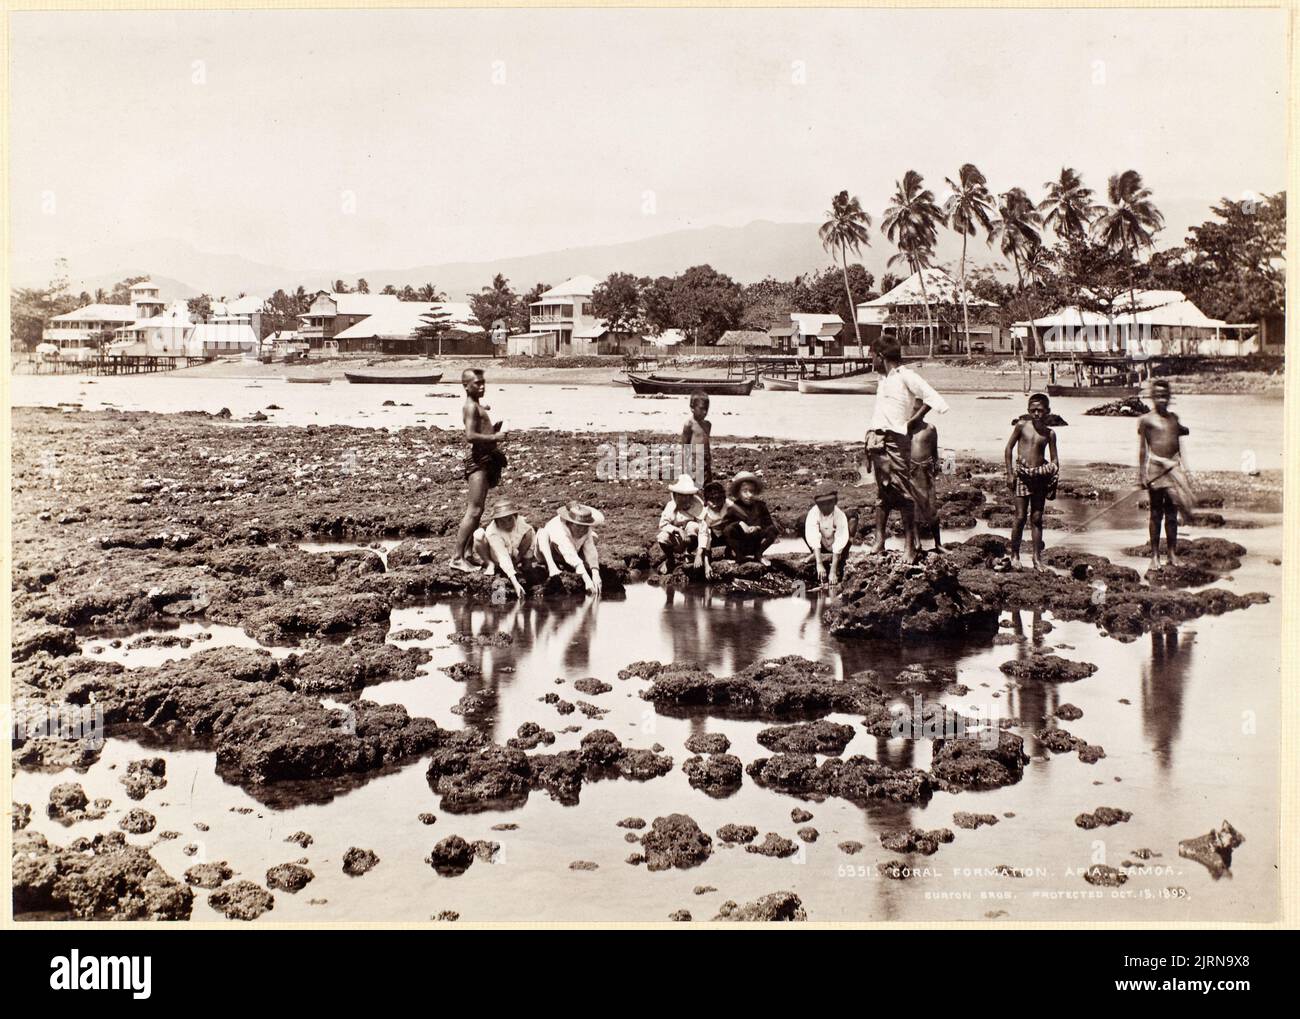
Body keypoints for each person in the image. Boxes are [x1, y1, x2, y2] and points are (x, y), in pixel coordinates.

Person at [865, 344, 949, 563]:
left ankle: (910, 547)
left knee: (903, 494)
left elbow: (932, 398)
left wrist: (911, 422)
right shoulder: (883, 379)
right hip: (877, 439)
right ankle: (879, 541)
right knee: (882, 494)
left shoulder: (906, 376)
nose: (870, 362)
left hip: (896, 440)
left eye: (872, 357)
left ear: (881, 356)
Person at [450, 368, 507, 573]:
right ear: (466, 386)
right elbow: (470, 436)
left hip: (485, 459)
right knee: (473, 510)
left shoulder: (477, 406)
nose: (482, 386)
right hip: (478, 461)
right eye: (477, 383)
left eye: (483, 383)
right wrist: (495, 438)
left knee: (479, 510)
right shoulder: (470, 407)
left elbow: (479, 430)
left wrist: (493, 430)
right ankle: (456, 558)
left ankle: (467, 554)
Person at [1138, 380, 1196, 569]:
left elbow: (1180, 447)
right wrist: (1142, 475)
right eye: (1158, 395)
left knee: (1172, 513)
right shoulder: (1146, 420)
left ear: (1170, 397)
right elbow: (1143, 450)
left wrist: (1184, 471)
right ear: (1152, 397)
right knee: (1156, 513)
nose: (1162, 399)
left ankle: (1172, 553)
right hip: (1155, 468)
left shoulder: (1174, 418)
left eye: (1165, 395)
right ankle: (1155, 556)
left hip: (1173, 469)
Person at [1004, 393, 1060, 570]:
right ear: (1028, 410)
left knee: (1036, 518)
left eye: (1040, 410)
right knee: (1020, 517)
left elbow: (1055, 460)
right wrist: (1010, 474)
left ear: (1048, 411)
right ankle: (1014, 555)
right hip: (1021, 476)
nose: (1037, 414)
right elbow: (1008, 449)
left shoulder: (1050, 434)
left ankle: (1037, 559)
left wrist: (1050, 474)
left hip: (1040, 479)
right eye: (1033, 410)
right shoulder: (1021, 426)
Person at [534, 501, 604, 595]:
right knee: (543, 533)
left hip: (571, 552)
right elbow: (569, 552)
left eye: (585, 527)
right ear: (570, 523)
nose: (582, 530)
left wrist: (595, 573)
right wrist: (587, 580)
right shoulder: (558, 528)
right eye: (578, 526)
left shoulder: (586, 528)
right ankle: (552, 566)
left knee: (594, 536)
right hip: (551, 553)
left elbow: (590, 548)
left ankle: (572, 565)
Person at [471, 499, 535, 600]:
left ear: (514, 516)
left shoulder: (520, 522)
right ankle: (489, 564)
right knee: (478, 535)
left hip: (513, 551)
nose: (507, 524)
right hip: (496, 555)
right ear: (496, 520)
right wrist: (515, 583)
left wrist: (523, 557)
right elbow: (502, 556)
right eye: (502, 521)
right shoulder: (493, 531)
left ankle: (518, 562)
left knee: (529, 532)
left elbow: (530, 536)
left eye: (509, 519)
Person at [720, 471, 778, 565]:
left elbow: (768, 523)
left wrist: (757, 527)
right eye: (745, 491)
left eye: (752, 491)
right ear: (738, 493)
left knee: (773, 529)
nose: (749, 495)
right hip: (740, 544)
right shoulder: (733, 507)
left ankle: (758, 554)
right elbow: (724, 527)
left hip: (755, 542)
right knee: (728, 529)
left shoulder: (760, 506)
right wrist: (739, 524)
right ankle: (739, 556)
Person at [908, 411, 943, 552]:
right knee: (913, 507)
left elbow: (934, 450)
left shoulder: (930, 429)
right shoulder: (905, 429)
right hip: (910, 471)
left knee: (932, 507)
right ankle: (917, 543)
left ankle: (938, 544)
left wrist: (936, 465)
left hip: (927, 472)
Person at [657, 474, 705, 574]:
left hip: (693, 539)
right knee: (662, 536)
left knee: (693, 525)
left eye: (687, 495)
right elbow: (663, 524)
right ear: (675, 494)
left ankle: (689, 553)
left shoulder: (697, 505)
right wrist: (678, 530)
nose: (684, 499)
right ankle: (670, 559)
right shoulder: (671, 506)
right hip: (677, 539)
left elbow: (703, 527)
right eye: (681, 495)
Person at [803, 484, 850, 585]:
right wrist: (819, 564)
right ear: (817, 504)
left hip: (835, 547)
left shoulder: (840, 515)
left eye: (829, 503)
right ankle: (816, 554)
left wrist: (833, 571)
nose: (826, 507)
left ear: (834, 502)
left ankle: (841, 559)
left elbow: (840, 539)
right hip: (823, 544)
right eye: (822, 504)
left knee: (852, 517)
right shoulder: (813, 513)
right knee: (801, 521)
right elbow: (813, 536)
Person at [697, 480, 729, 579]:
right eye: (712, 500)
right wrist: (699, 555)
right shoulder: (706, 514)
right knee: (708, 533)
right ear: (706, 501)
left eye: (718, 500)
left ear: (723, 499)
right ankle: (707, 563)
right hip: (713, 538)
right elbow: (703, 535)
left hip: (727, 536)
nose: (715, 504)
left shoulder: (728, 507)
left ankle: (734, 553)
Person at [680, 393, 713, 487]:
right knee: (694, 486)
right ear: (692, 408)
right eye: (701, 408)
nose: (704, 412)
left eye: (706, 409)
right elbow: (685, 448)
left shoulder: (708, 425)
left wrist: (709, 462)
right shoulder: (689, 425)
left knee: (707, 485)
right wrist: (684, 471)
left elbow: (706, 446)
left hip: (705, 460)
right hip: (694, 461)